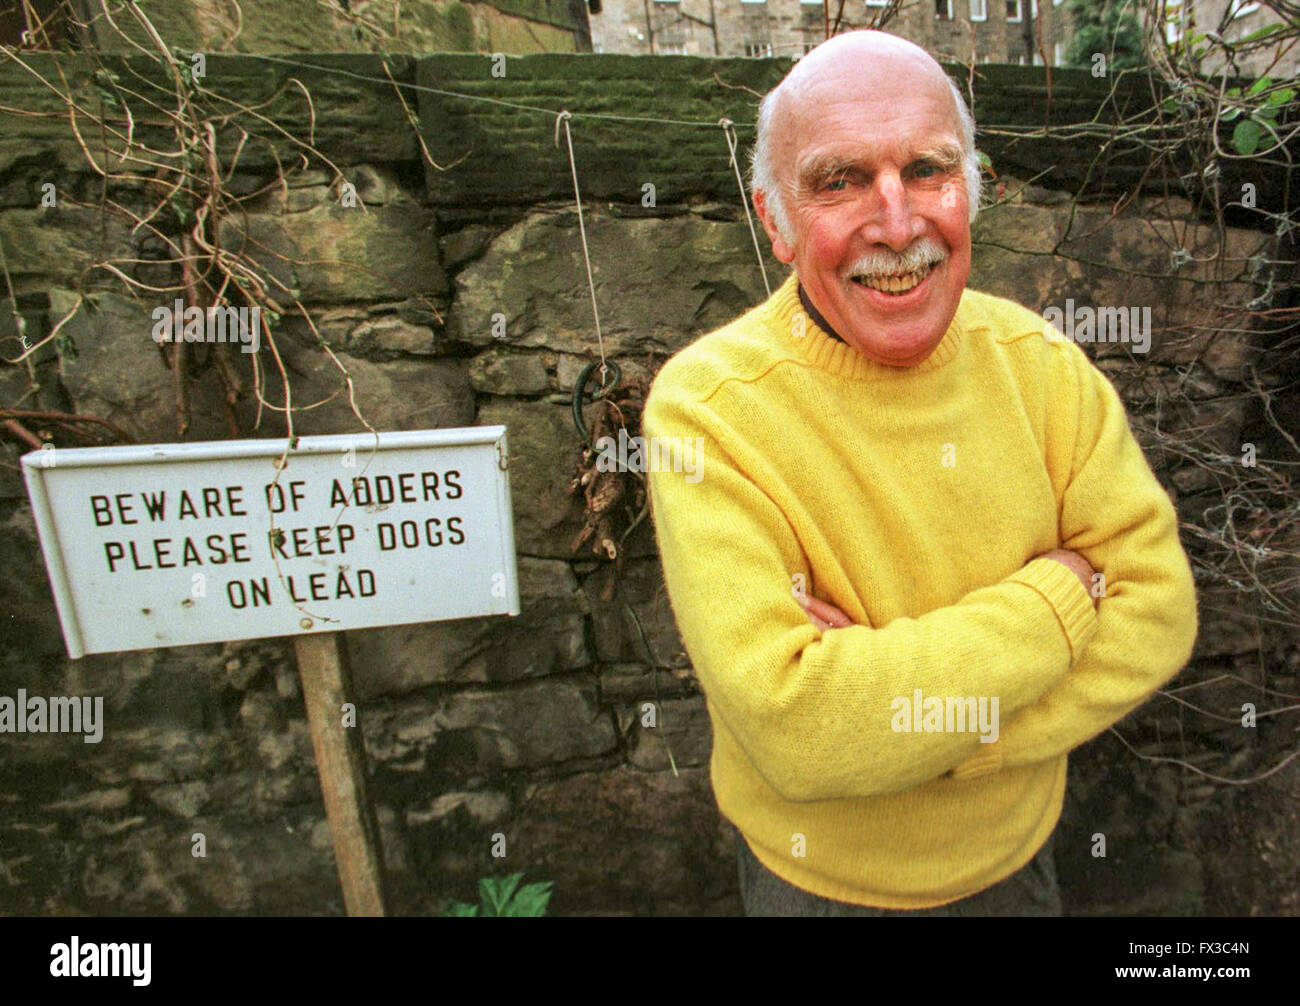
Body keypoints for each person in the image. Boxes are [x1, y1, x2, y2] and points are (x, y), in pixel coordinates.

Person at [641, 29, 1199, 916]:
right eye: (840, 180)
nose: (897, 225)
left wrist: (932, 730)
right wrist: (1059, 598)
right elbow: (802, 731)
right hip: (816, 887)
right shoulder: (708, 411)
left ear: (972, 193)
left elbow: (1159, 611)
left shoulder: (1043, 369)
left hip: (1017, 863)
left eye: (928, 171)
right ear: (775, 222)